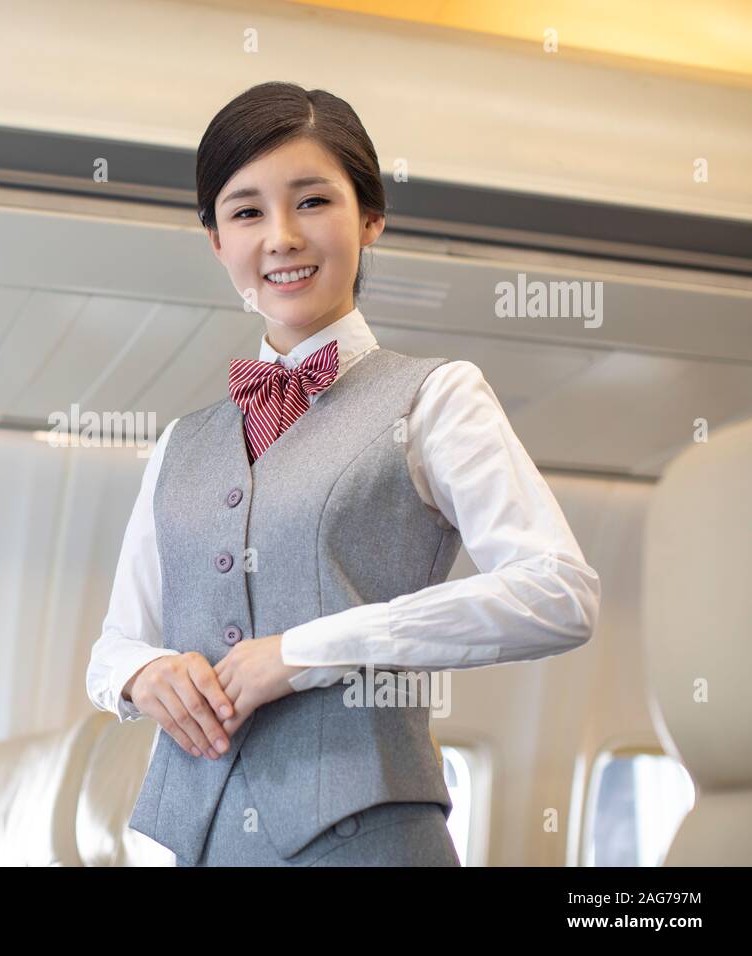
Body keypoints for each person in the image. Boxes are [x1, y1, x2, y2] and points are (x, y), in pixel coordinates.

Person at [84, 81, 601, 867]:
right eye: (247, 211)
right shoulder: (179, 445)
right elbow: (113, 643)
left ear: (370, 218)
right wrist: (141, 673)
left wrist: (307, 650)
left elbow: (559, 593)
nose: (282, 237)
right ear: (217, 242)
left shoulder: (436, 395)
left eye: (313, 201)